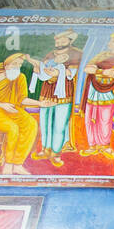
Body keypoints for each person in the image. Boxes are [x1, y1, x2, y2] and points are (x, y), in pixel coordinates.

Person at [0, 52, 42, 176]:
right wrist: (2, 105)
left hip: (12, 110)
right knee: (13, 128)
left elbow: (22, 99)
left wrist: (40, 104)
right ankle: (8, 164)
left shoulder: (21, 77)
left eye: (19, 64)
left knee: (31, 124)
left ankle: (18, 164)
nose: (17, 66)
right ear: (6, 66)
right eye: (14, 64)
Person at [30, 31, 82, 166]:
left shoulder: (76, 53)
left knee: (59, 125)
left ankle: (56, 153)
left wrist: (59, 71)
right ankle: (45, 149)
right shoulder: (50, 54)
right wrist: (39, 70)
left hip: (64, 93)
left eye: (61, 40)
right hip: (46, 92)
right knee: (45, 123)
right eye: (57, 41)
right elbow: (42, 68)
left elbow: (73, 73)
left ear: (70, 40)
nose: (58, 43)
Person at [81, 31, 114, 158]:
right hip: (93, 89)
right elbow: (87, 69)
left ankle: (104, 145)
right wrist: (103, 72)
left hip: (109, 90)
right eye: (111, 40)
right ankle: (92, 145)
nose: (110, 43)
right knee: (89, 118)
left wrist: (97, 71)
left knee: (105, 119)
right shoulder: (102, 55)